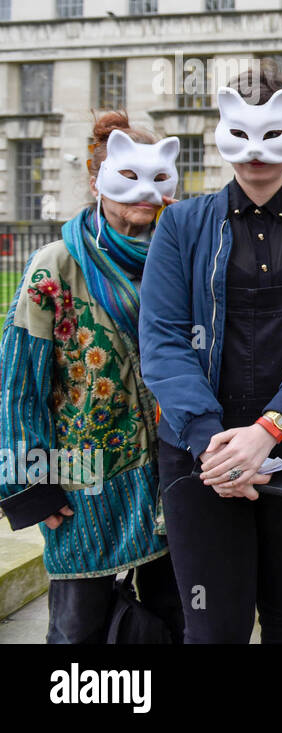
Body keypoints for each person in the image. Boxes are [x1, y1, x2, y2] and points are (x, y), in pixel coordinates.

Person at [139, 60, 282, 644]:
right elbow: (162, 338)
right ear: (220, 128)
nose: (256, 152)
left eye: (270, 134)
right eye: (241, 134)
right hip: (201, 449)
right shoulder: (180, 226)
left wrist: (268, 428)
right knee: (213, 626)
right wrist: (212, 445)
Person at [0, 113, 184, 643]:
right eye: (126, 177)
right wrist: (31, 485)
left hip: (173, 473)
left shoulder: (183, 257)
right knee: (78, 628)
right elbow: (18, 385)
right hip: (84, 483)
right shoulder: (54, 266)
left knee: (175, 618)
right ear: (95, 178)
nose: (144, 193)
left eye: (157, 179)